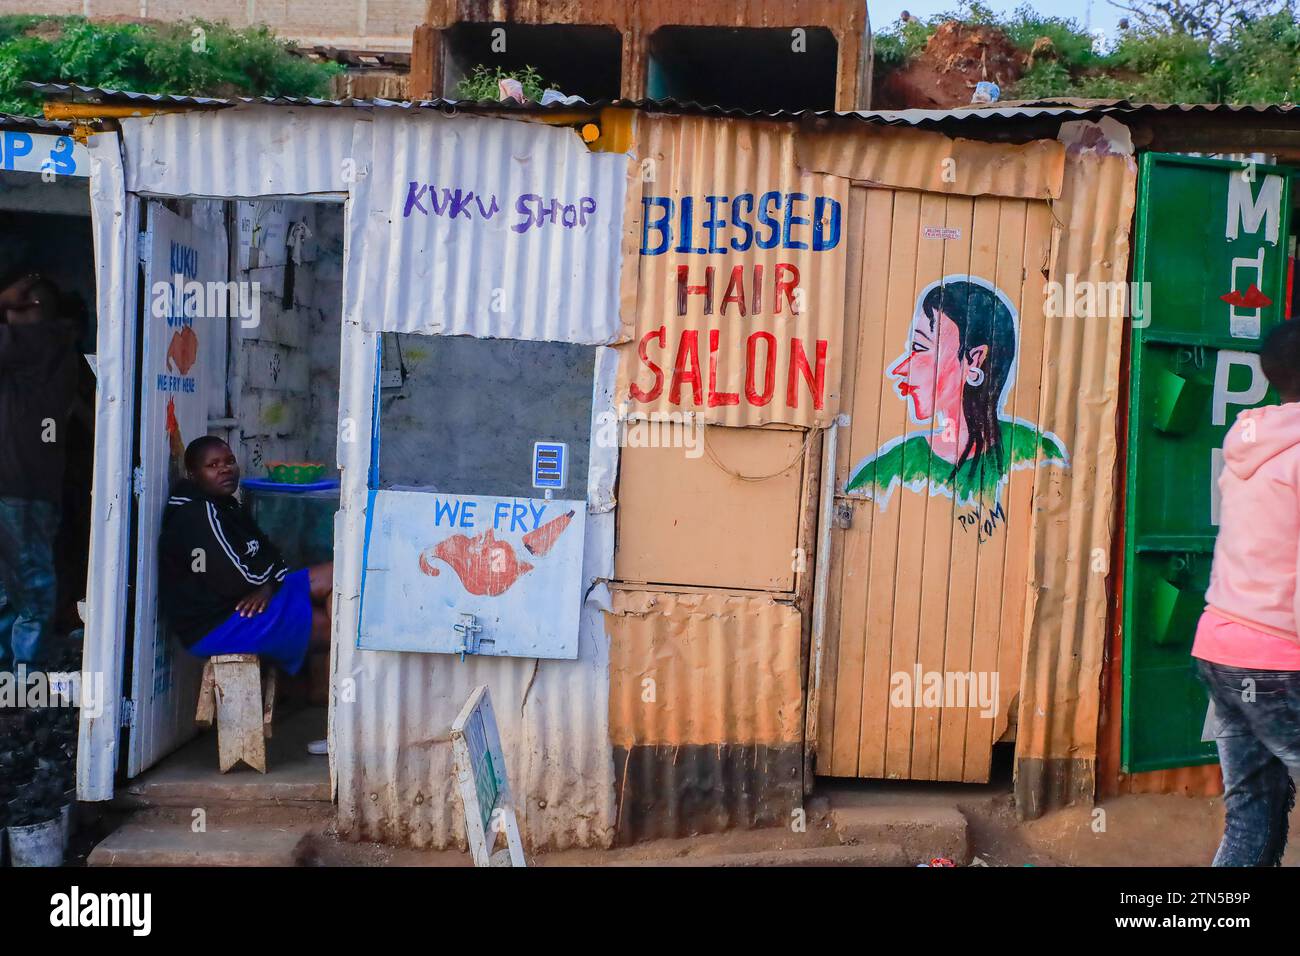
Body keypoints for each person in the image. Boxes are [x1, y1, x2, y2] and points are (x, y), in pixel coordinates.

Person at [1194, 320, 1300, 866]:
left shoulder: (1250, 442)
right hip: (1279, 661)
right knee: (1255, 810)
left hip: (1221, 648)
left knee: (1252, 813)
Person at [159, 436, 332, 751]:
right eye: (213, 466)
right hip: (221, 623)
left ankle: (328, 699)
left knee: (339, 574)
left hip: (249, 602)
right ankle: (342, 720)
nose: (225, 470)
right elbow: (238, 579)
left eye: (228, 462)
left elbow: (273, 555)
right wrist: (264, 580)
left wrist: (266, 584)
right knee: (337, 627)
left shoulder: (226, 505)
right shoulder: (198, 515)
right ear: (193, 476)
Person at [846, 276, 1067, 511]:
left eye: (919, 348)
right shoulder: (891, 470)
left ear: (974, 360)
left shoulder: (1036, 456)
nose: (899, 369)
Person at [0, 273, 80, 672]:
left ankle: (23, 676)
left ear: (32, 310)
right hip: (23, 485)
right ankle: (13, 674)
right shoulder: (45, 346)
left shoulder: (38, 341)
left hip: (23, 487)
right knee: (13, 585)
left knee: (30, 587)